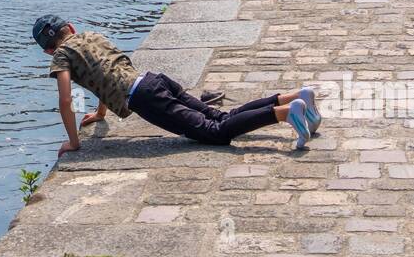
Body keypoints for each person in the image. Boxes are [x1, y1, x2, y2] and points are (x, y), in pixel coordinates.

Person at [32, 15, 324, 154]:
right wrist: (100, 115)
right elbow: (106, 72)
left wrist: (73, 141)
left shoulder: (60, 57)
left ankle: (287, 113)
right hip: (154, 80)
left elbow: (67, 100)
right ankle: (297, 95)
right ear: (70, 28)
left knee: (216, 133)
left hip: (145, 98)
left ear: (47, 50)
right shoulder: (91, 36)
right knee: (220, 116)